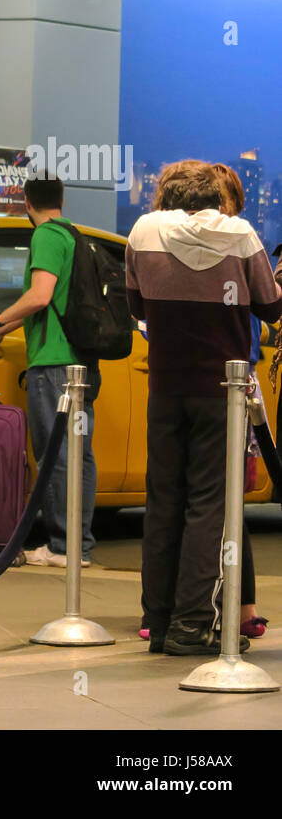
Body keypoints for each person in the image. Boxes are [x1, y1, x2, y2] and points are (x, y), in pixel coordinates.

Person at [126, 159, 282, 655]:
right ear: (219, 194)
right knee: (210, 506)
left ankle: (159, 620)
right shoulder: (241, 234)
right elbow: (271, 308)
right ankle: (194, 627)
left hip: (164, 388)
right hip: (225, 390)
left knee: (164, 502)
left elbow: (136, 308)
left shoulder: (142, 232)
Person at [0, 172, 100, 568]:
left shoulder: (46, 236)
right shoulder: (73, 236)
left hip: (53, 363)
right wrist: (1, 328)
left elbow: (39, 297)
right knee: (80, 455)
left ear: (27, 202)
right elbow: (51, 302)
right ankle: (79, 545)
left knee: (55, 454)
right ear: (61, 199)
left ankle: (61, 547)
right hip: (80, 364)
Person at [205, 162, 267, 639]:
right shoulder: (246, 244)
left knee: (208, 502)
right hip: (241, 386)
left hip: (220, 389)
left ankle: (219, 607)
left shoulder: (221, 245)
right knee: (231, 505)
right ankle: (243, 608)